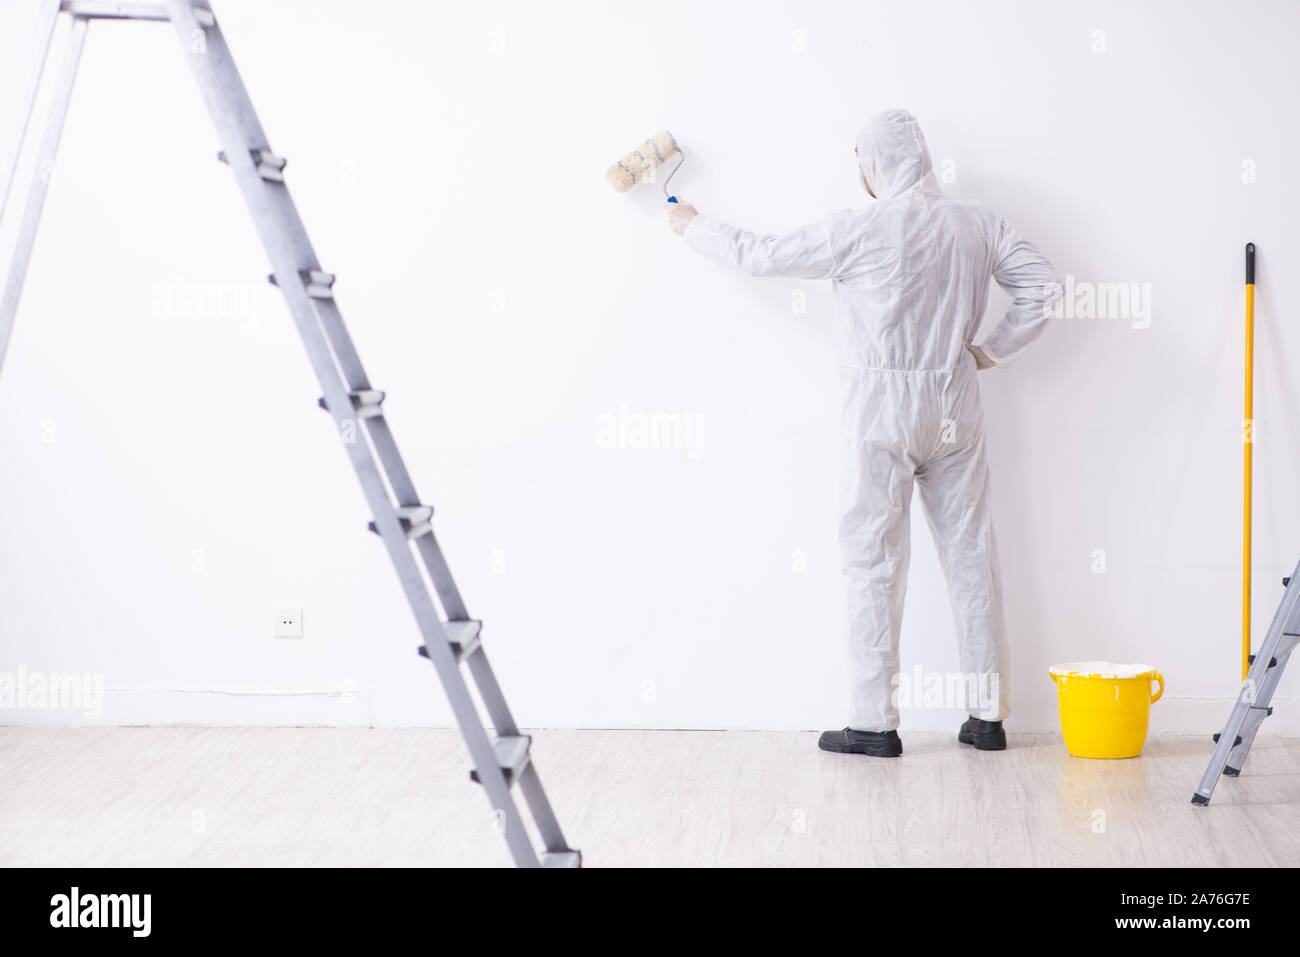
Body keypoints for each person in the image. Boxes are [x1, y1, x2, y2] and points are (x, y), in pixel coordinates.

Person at [668, 109, 1061, 756]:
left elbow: (760, 255)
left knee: (873, 561)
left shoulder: (858, 229)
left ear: (877, 163)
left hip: (881, 409)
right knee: (970, 555)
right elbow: (1044, 285)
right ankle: (987, 717)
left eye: (860, 159)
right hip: (955, 400)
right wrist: (990, 351)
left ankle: (874, 724)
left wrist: (692, 225)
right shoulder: (977, 223)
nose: (858, 171)